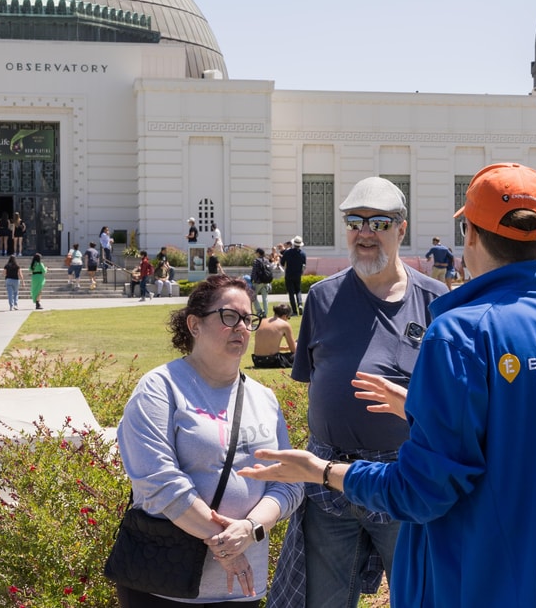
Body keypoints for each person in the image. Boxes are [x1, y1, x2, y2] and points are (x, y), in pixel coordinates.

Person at [243, 163, 536, 607]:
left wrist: (321, 471)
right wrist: (419, 408)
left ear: (469, 234)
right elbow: (520, 432)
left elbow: (421, 491)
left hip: (471, 584)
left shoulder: (461, 332)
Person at [262, 176, 448, 608]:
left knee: (422, 598)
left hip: (404, 483)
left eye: (378, 222)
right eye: (354, 222)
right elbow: (315, 380)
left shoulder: (436, 300)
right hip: (328, 483)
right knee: (322, 601)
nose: (364, 233)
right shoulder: (322, 297)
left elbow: (451, 401)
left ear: (401, 229)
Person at [114, 275, 303, 607]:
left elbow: (288, 482)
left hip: (242, 587)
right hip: (164, 583)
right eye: (229, 316)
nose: (241, 327)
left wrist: (251, 528)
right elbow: (158, 481)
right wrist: (225, 546)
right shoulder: (160, 388)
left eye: (248, 318)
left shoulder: (264, 398)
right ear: (194, 324)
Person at [251, 303, 296, 368]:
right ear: (285, 316)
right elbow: (294, 350)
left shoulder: (262, 321)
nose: (287, 320)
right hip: (272, 361)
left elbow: (266, 346)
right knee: (299, 355)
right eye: (288, 318)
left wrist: (284, 348)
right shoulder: (285, 325)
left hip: (257, 361)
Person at [280, 236, 307, 315]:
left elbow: (282, 263)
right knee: (298, 290)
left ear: (293, 244)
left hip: (289, 274)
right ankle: (300, 304)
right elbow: (304, 265)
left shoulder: (287, 252)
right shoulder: (303, 254)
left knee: (291, 293)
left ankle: (294, 311)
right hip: (297, 275)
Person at [250, 247, 272, 317]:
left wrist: (251, 280)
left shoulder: (256, 261)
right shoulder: (267, 260)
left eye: (256, 253)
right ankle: (265, 313)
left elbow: (254, 272)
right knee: (265, 298)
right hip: (266, 281)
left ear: (258, 253)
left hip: (258, 282)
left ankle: (259, 311)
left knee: (253, 296)